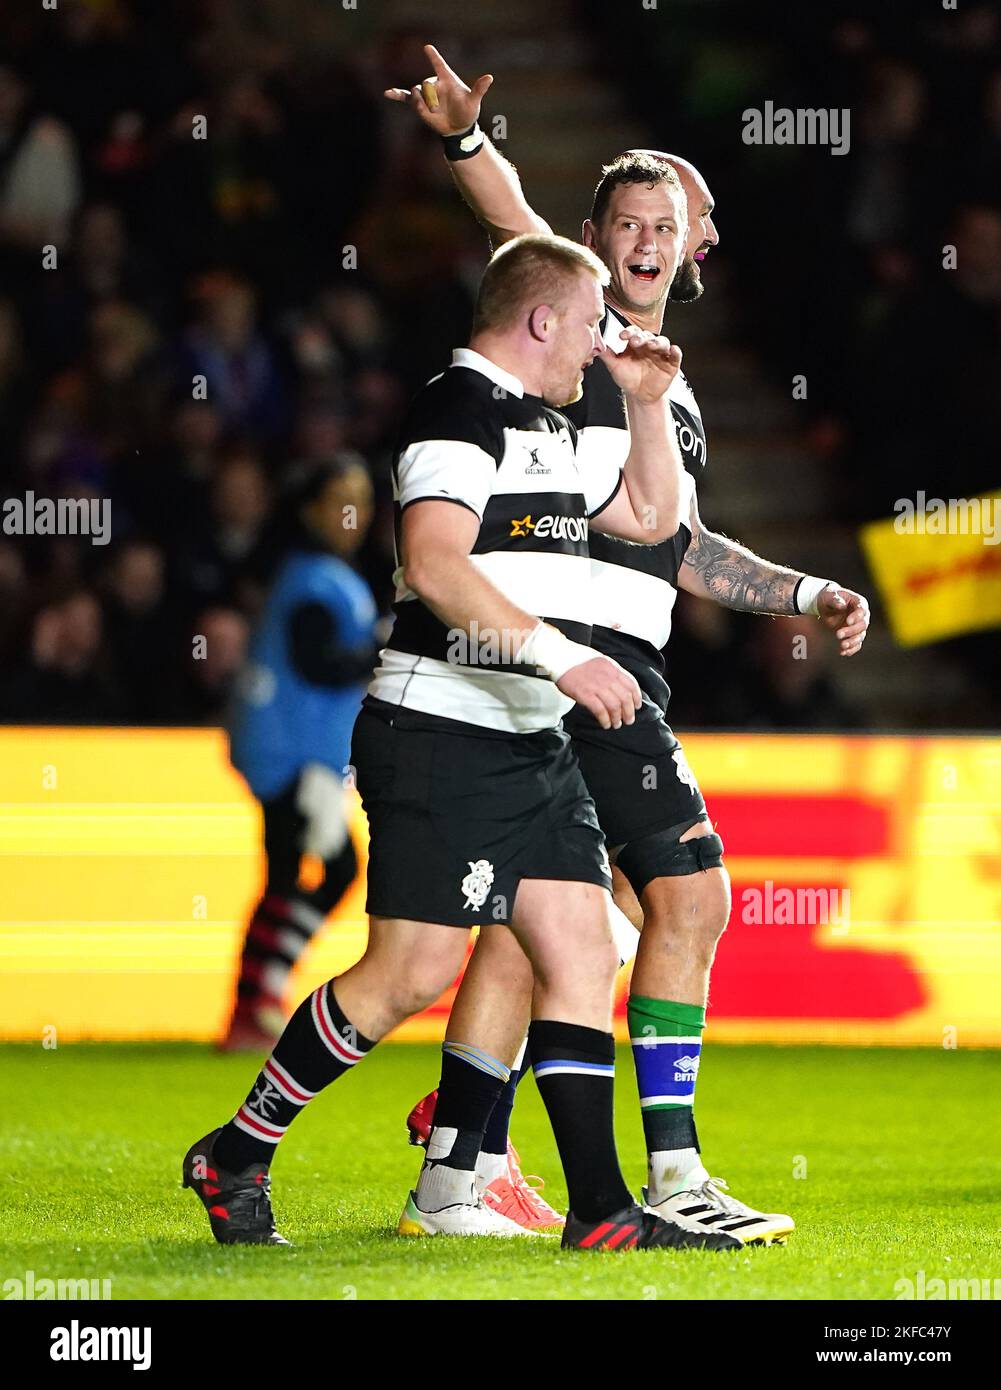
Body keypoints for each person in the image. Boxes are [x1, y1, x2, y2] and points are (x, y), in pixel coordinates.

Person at [388, 45, 871, 1243]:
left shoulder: (669, 386)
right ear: (598, 242)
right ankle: (664, 1173)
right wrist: (462, 142)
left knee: (565, 924)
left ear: (700, 246)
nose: (645, 238)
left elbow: (682, 545)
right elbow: (511, 214)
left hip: (615, 663)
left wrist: (806, 591)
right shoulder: (588, 333)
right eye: (624, 220)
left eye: (669, 222)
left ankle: (461, 1146)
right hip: (572, 662)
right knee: (688, 902)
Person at [182, 231, 742, 1253]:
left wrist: (650, 399)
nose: (596, 343)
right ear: (537, 319)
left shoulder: (551, 422)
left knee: (576, 954)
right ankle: (236, 1152)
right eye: (585, 323)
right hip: (439, 726)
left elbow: (655, 517)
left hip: (528, 740)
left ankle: (602, 1214)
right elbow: (433, 563)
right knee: (405, 972)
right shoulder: (458, 409)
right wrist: (559, 657)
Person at [223, 455, 379, 1050]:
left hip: (293, 751)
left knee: (295, 873)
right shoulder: (318, 580)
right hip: (292, 752)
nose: (354, 515)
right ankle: (256, 998)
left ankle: (259, 995)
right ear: (311, 508)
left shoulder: (312, 573)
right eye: (342, 499)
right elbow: (318, 664)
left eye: (362, 500)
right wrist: (383, 646)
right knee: (318, 871)